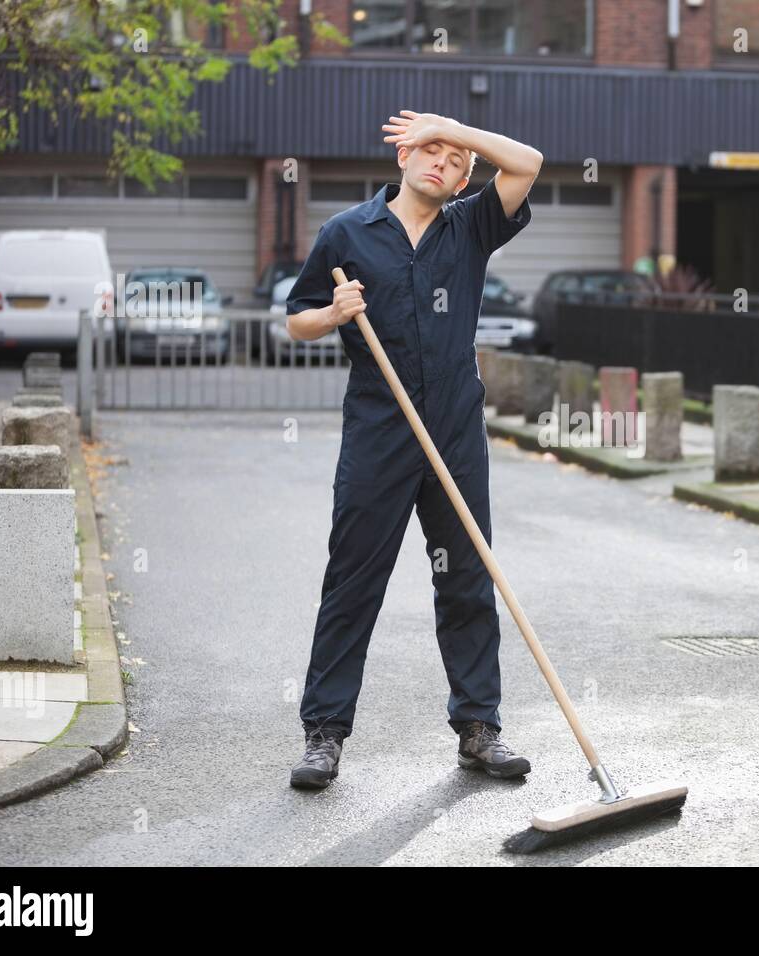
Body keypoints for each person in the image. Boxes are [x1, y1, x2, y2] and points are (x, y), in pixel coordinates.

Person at [283, 110, 542, 789]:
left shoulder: (472, 226)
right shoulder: (347, 234)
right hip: (380, 429)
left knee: (466, 577)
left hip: (455, 428)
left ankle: (479, 729)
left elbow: (528, 163)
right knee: (353, 580)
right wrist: (333, 315)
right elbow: (295, 320)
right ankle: (323, 734)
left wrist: (454, 127)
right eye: (430, 150)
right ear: (402, 156)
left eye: (457, 161)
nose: (444, 164)